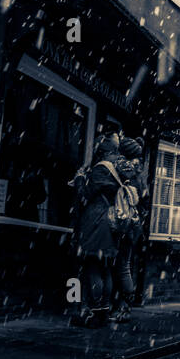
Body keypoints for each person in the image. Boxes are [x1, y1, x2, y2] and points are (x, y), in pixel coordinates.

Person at [73, 129, 122, 327]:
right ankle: (103, 310)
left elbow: (86, 194)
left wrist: (79, 178)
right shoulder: (116, 170)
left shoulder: (101, 169)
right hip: (109, 223)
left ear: (101, 153)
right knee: (105, 268)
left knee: (93, 266)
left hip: (96, 221)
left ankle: (93, 313)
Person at [110, 136, 148, 322]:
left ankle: (123, 306)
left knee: (122, 266)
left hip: (124, 224)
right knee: (124, 265)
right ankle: (123, 305)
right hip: (133, 225)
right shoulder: (138, 173)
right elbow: (143, 201)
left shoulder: (125, 170)